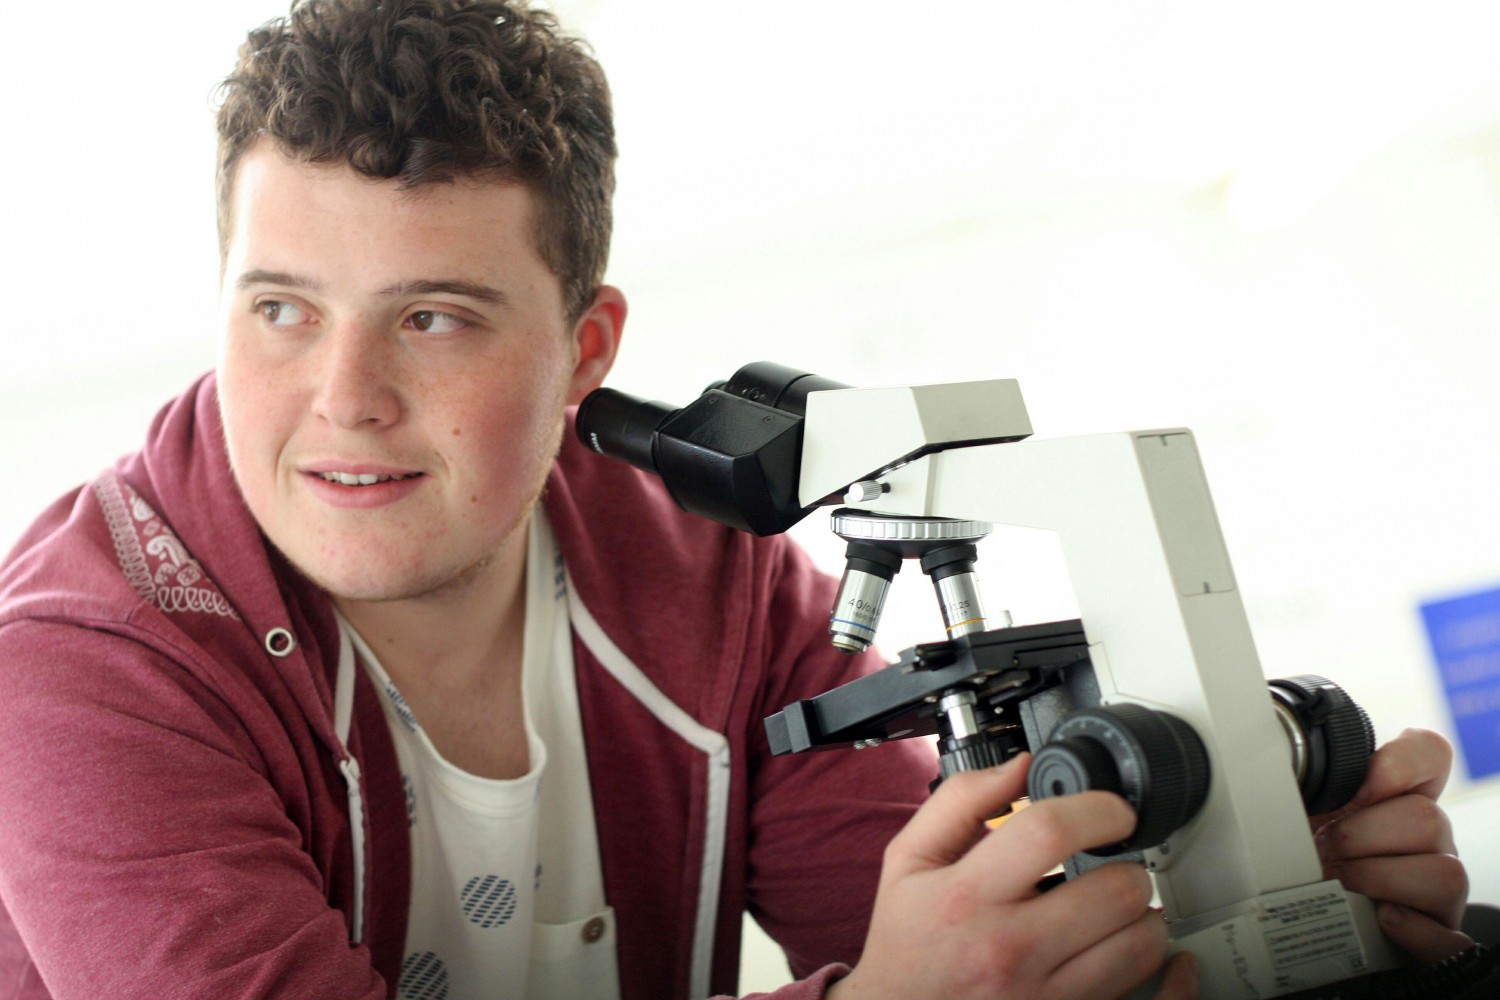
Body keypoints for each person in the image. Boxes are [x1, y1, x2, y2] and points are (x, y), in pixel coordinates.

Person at [0, 1, 1471, 997]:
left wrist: (1264, 909)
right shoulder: (78, 669)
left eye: (433, 316)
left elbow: (950, 941)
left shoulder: (718, 578)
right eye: (281, 311)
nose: (344, 398)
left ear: (587, 352)